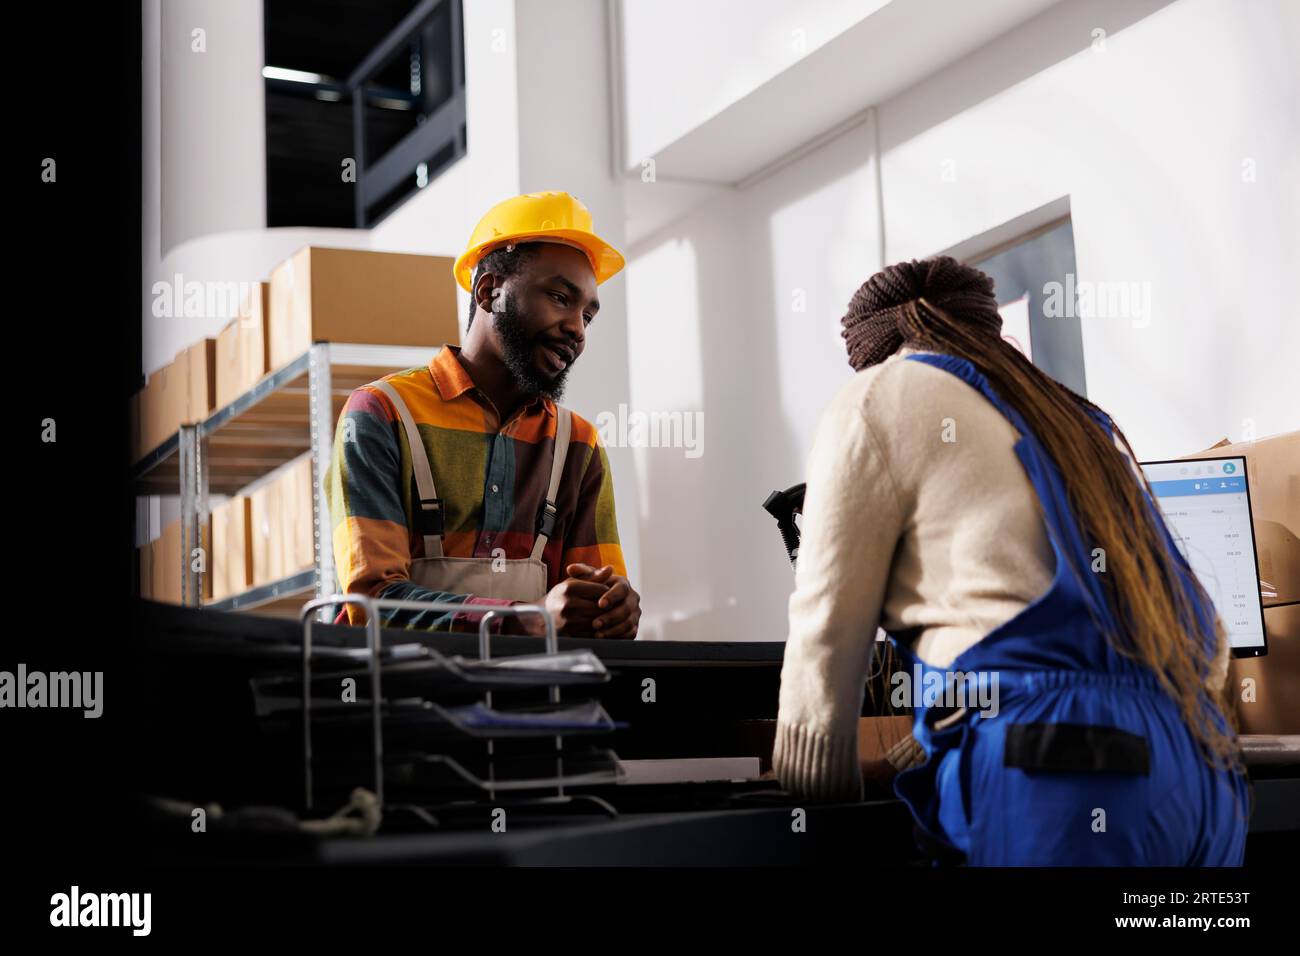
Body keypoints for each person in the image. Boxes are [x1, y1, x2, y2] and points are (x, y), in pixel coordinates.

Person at [772, 256, 1248, 865]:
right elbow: (1078, 660)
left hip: (1064, 775)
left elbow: (826, 629)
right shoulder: (1067, 414)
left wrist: (804, 798)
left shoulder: (876, 397)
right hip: (1199, 771)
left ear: (874, 350)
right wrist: (924, 749)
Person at [325, 191, 641, 638]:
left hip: (534, 700)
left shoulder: (579, 445)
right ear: (490, 291)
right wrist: (527, 618)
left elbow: (592, 600)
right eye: (558, 297)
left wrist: (613, 611)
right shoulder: (382, 414)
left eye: (587, 315)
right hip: (399, 698)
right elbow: (369, 602)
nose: (576, 328)